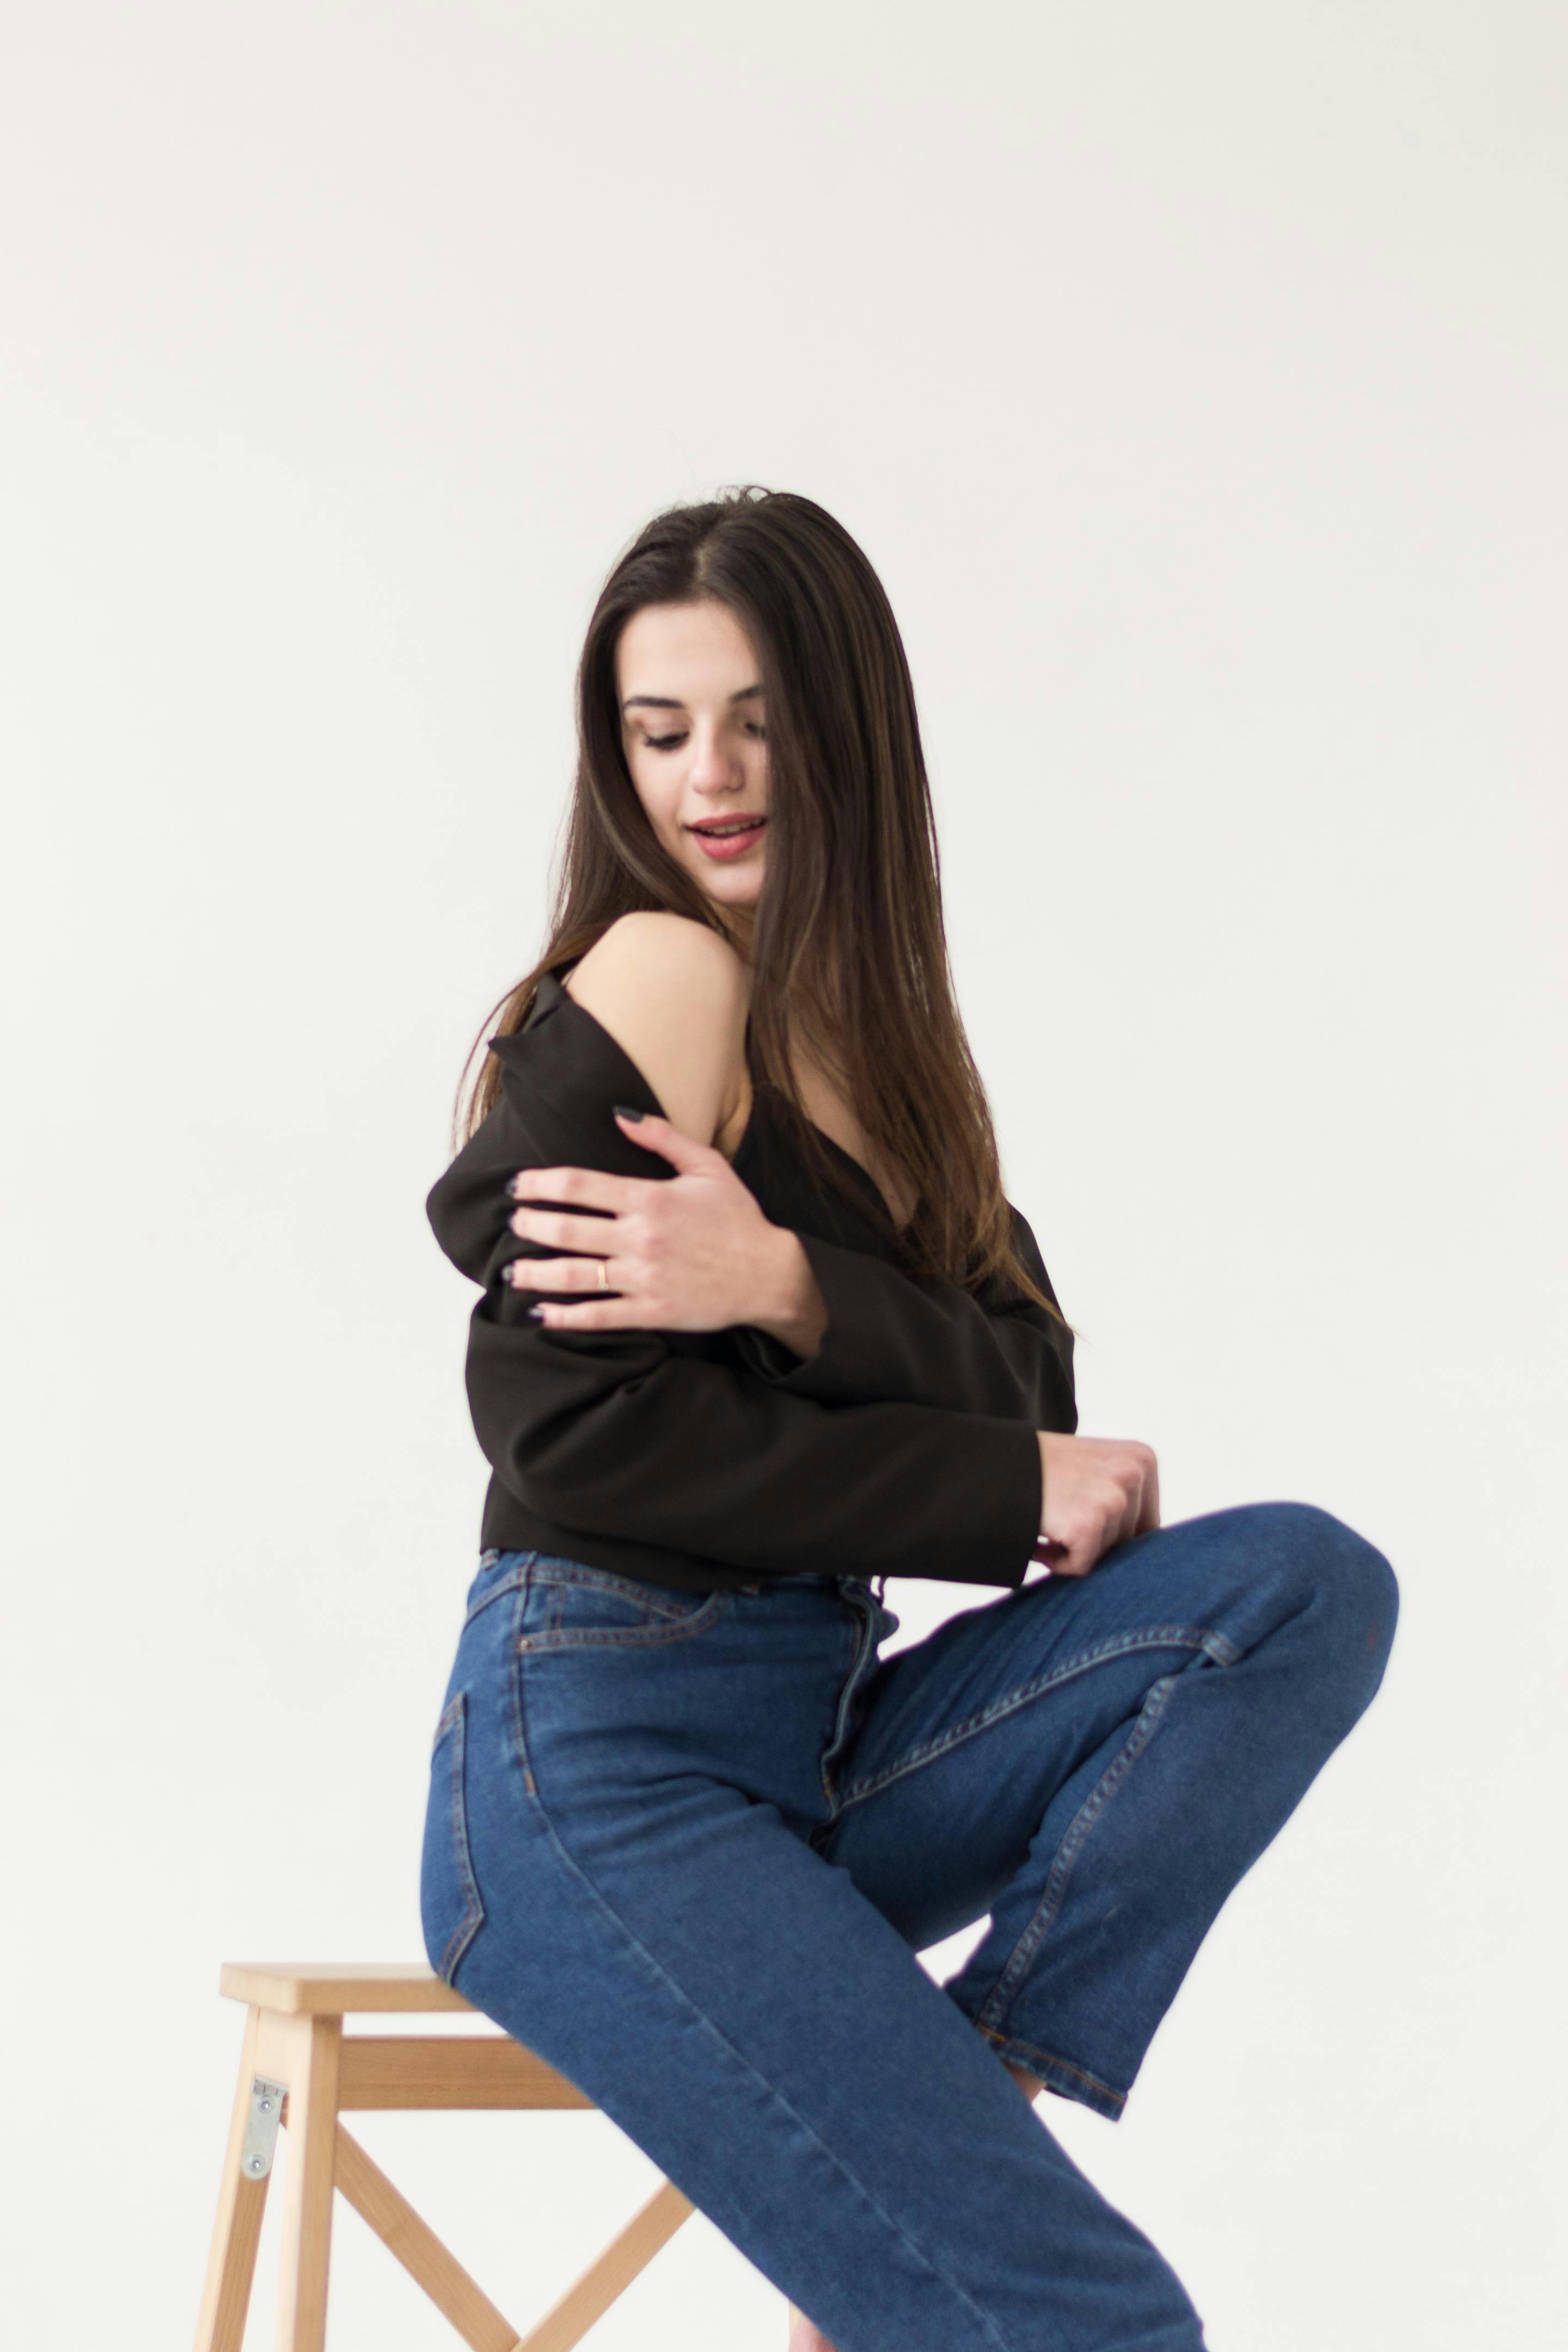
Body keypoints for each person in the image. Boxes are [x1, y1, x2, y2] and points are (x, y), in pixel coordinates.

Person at [420, 486, 1398, 2352]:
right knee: (1088, 2320)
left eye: (760, 719)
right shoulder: (662, 975)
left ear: (848, 726)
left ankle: (973, 2098)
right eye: (659, 730)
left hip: (812, 1747)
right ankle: (923, 2221)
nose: (710, 775)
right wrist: (979, 1455)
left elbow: (1045, 1410)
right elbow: (577, 1442)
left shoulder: (883, 1047)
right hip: (597, 1767)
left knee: (1295, 1594)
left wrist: (783, 1285)